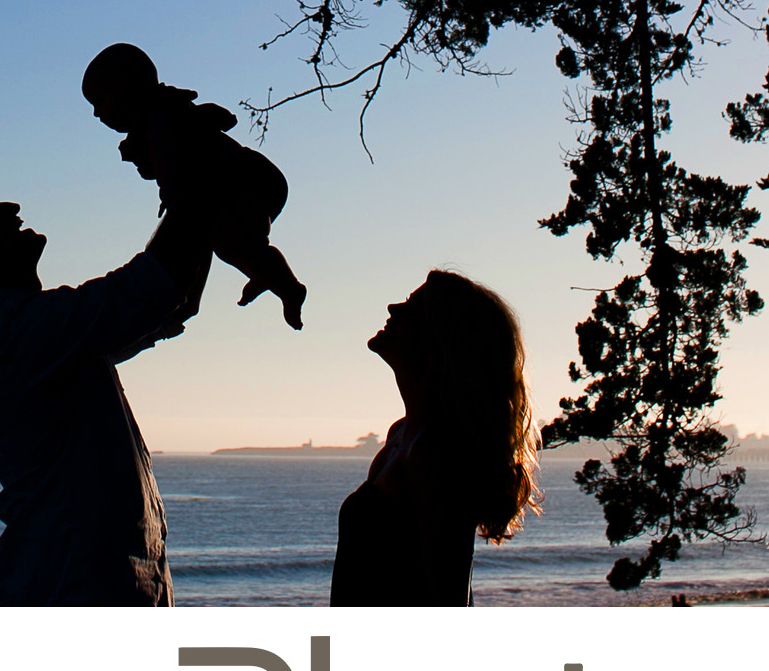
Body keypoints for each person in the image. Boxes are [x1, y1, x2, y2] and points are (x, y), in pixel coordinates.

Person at [0, 182, 213, 605]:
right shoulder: (8, 332)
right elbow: (152, 286)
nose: (10, 206)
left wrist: (194, 197)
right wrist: (194, 179)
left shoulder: (38, 336)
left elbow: (174, 300)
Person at [329, 271, 539, 605]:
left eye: (412, 308)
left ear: (438, 341)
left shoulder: (436, 451)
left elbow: (449, 600)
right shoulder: (401, 435)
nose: (392, 308)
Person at [81, 42, 307, 329]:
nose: (96, 113)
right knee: (213, 234)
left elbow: (173, 179)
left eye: (99, 100)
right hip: (236, 183)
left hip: (245, 179)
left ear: (128, 88)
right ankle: (260, 274)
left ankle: (288, 287)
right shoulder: (160, 119)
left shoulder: (161, 120)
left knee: (228, 239)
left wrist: (171, 195)